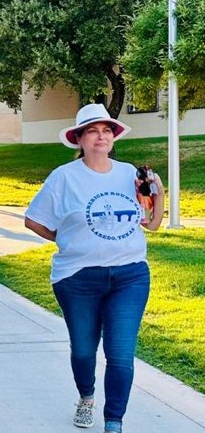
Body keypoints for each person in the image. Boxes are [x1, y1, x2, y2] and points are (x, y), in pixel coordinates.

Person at [24, 104, 165, 433]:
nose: (101, 136)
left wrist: (158, 190)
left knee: (120, 354)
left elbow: (153, 223)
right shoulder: (64, 177)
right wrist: (63, 238)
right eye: (93, 131)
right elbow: (33, 219)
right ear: (80, 140)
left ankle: (113, 422)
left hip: (129, 276)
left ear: (113, 138)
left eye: (106, 131)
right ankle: (86, 396)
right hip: (77, 279)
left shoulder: (130, 173)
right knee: (85, 351)